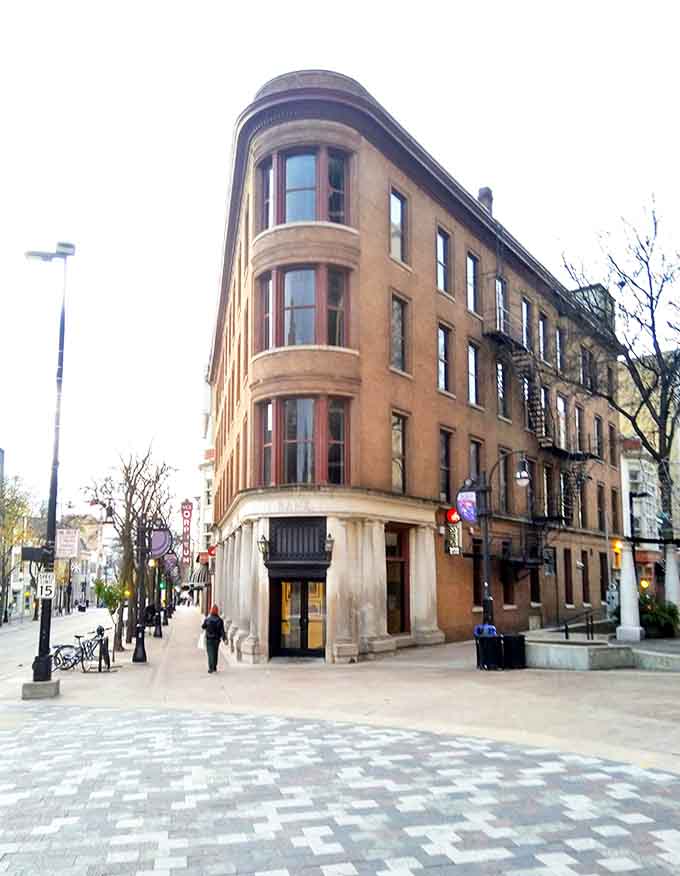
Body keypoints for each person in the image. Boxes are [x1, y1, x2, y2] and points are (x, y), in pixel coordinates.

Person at [202, 605, 226, 673]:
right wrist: (224, 638)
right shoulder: (220, 620)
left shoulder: (208, 619)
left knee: (210, 653)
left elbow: (203, 626)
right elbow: (222, 631)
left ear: (211, 610)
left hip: (209, 639)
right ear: (217, 611)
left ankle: (211, 668)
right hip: (217, 639)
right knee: (215, 653)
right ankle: (214, 667)